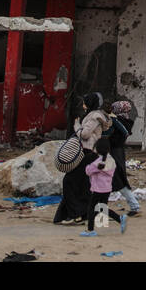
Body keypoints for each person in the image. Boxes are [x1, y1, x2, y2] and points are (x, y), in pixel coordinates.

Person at [52, 94, 89, 225]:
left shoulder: (93, 118)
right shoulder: (94, 117)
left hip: (86, 155)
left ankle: (75, 215)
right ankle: (74, 214)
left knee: (70, 183)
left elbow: (84, 135)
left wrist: (77, 126)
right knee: (78, 186)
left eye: (85, 103)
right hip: (87, 155)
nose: (83, 105)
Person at [81, 137, 127, 236]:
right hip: (107, 189)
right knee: (102, 208)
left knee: (91, 208)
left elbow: (88, 171)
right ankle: (119, 218)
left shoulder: (99, 161)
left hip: (98, 189)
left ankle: (90, 230)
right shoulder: (111, 160)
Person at [108, 99, 141, 215]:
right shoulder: (125, 122)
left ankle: (135, 206)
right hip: (118, 153)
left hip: (112, 154)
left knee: (117, 181)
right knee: (116, 180)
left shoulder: (116, 123)